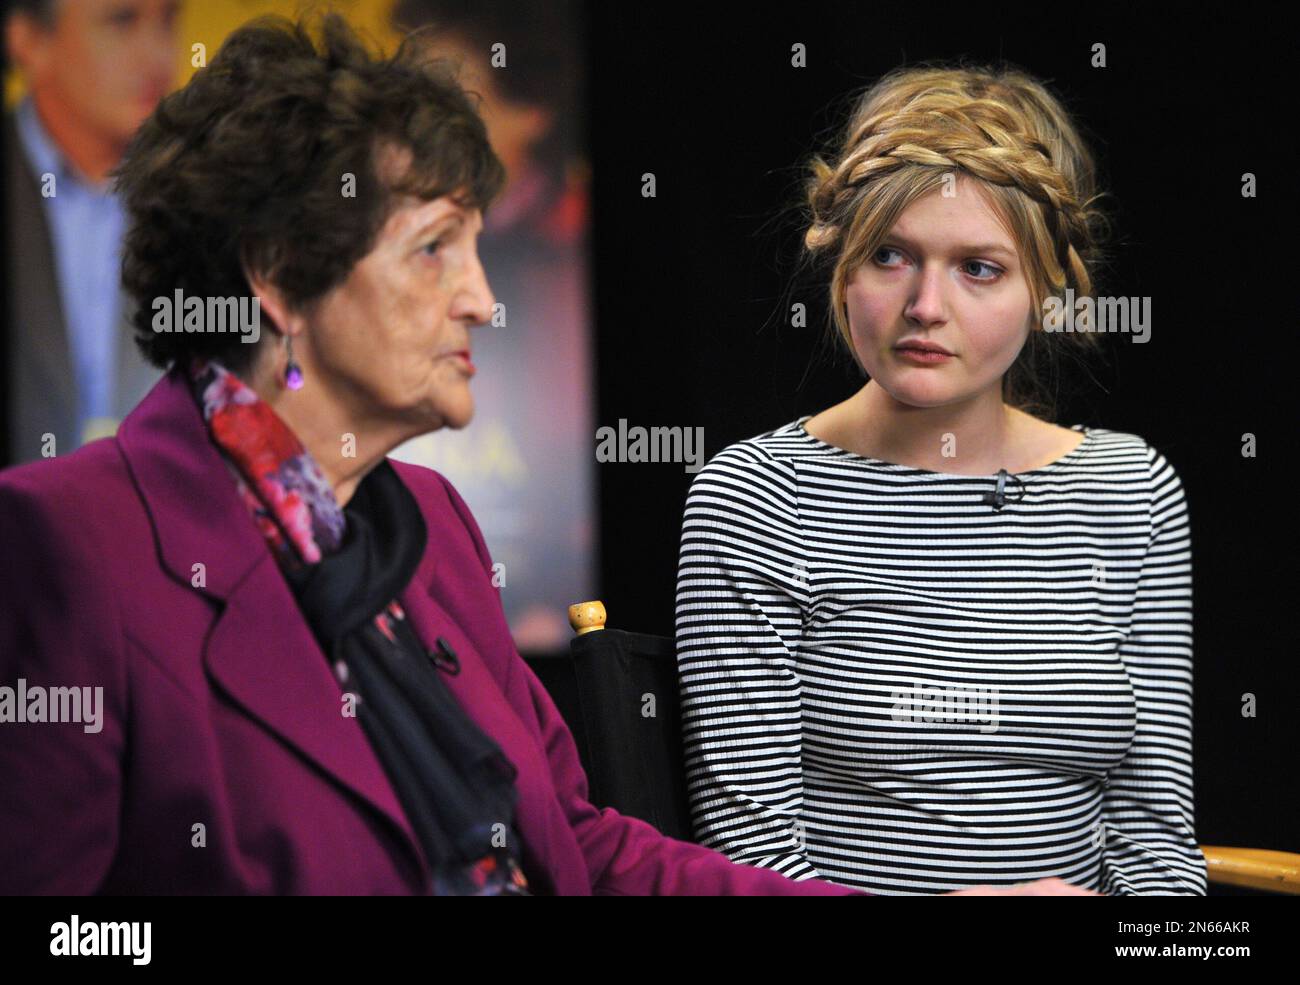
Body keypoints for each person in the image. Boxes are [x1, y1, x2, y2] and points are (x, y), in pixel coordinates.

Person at [0, 16, 1093, 896]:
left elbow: (583, 847)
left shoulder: (427, 523)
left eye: (476, 248)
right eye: (434, 249)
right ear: (279, 276)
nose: (483, 297)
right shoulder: (67, 539)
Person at [676, 64, 1208, 895]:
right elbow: (753, 867)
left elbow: (1160, 854)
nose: (927, 304)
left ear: (1047, 287)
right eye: (891, 255)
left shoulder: (1129, 489)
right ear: (842, 267)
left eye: (979, 268)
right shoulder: (756, 495)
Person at [2, 0, 179, 465]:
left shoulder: (208, 197)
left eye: (168, 22)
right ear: (28, 40)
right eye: (122, 22)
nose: (158, 57)